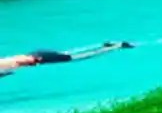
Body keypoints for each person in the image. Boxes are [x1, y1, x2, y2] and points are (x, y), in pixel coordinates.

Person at [0, 42, 134, 77]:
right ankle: (107, 46)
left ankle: (115, 47)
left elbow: (7, 71)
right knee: (74, 55)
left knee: (77, 58)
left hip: (40, 58)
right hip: (36, 54)